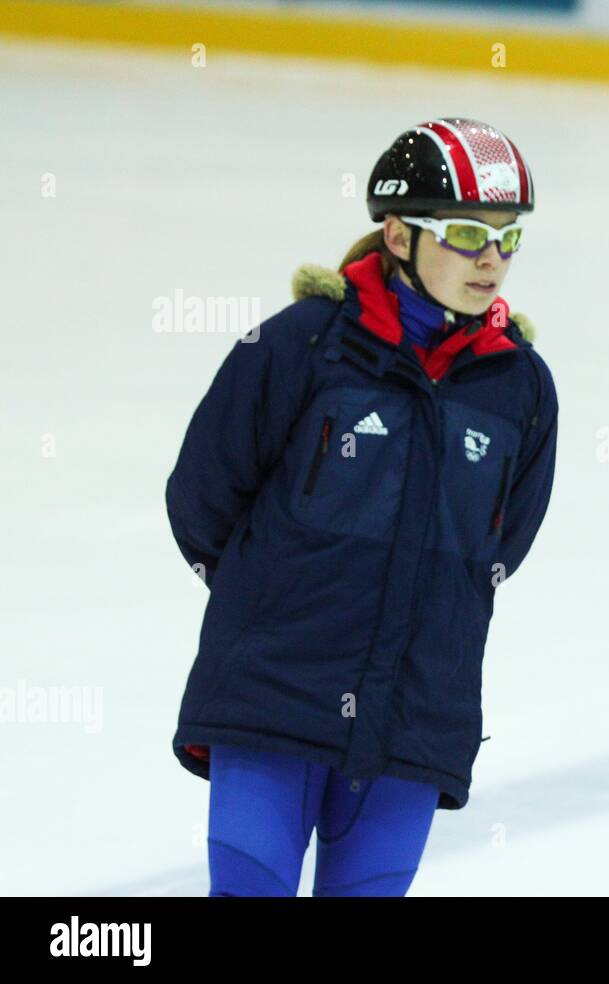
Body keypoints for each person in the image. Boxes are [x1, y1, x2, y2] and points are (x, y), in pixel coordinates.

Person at [165, 119, 558, 896]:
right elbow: (203, 498)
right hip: (270, 697)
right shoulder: (302, 345)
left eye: (508, 239)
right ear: (397, 233)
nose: (492, 260)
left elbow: (503, 543)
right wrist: (277, 597)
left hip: (416, 719)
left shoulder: (520, 387)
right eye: (465, 234)